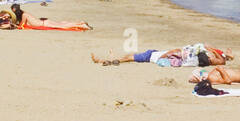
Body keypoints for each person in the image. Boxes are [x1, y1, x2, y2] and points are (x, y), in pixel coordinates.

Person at [93, 46, 232, 67]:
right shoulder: (197, 60)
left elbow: (174, 51)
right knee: (130, 56)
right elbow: (221, 62)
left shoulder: (191, 56)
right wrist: (223, 55)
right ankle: (110, 59)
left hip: (153, 56)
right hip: (156, 55)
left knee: (130, 57)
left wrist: (212, 49)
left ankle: (111, 60)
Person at [0, 4, 90, 31]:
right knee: (62, 24)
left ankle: (81, 24)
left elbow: (21, 26)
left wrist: (15, 25)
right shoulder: (24, 14)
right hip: (44, 22)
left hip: (44, 23)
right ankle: (80, 23)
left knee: (62, 26)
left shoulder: (24, 15)